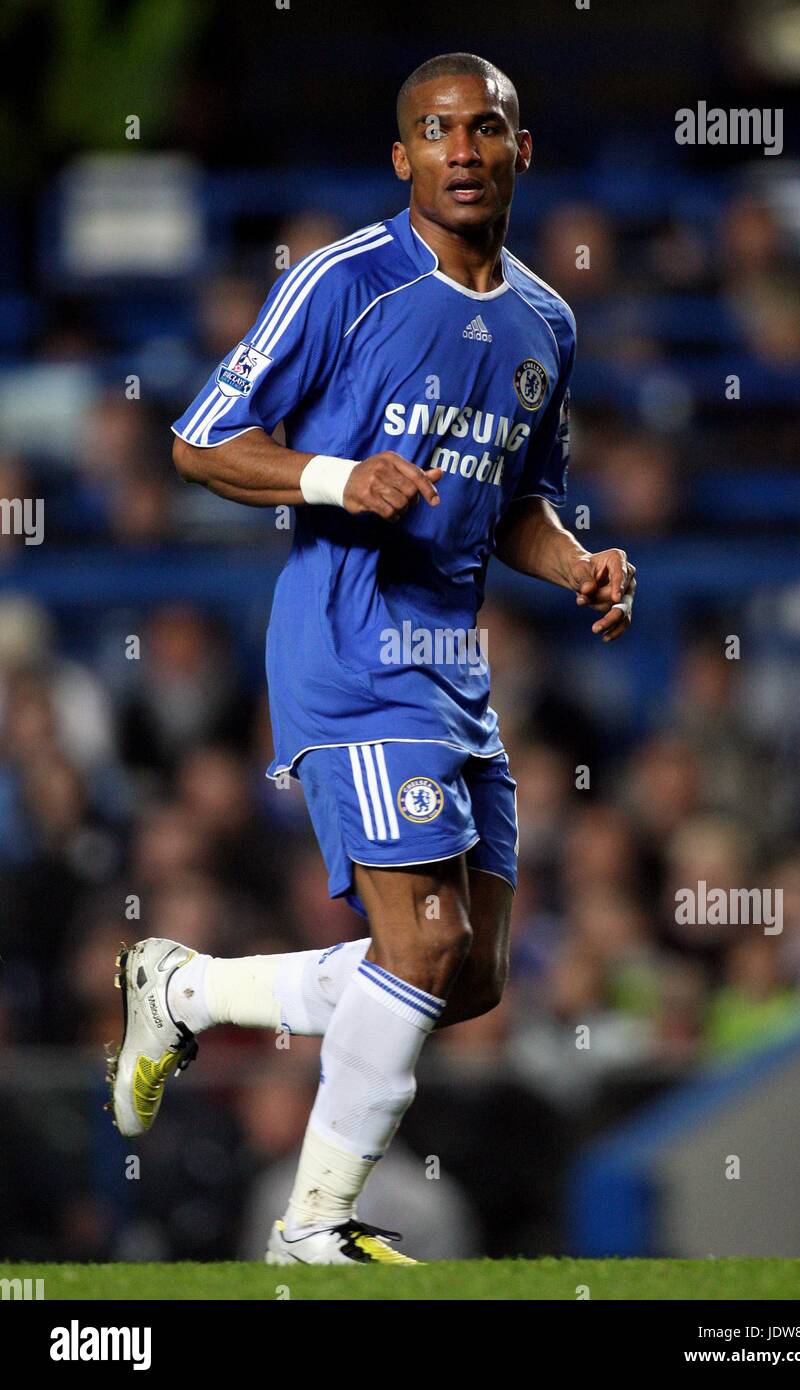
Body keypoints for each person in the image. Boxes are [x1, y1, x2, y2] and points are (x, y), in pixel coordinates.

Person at [107, 51, 637, 1266]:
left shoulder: (546, 323)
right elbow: (199, 440)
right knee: (423, 947)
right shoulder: (343, 281)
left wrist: (581, 568)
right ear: (401, 157)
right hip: (346, 641)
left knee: (469, 978)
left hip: (454, 663)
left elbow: (518, 509)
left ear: (519, 150)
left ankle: (182, 992)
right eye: (435, 130)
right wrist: (343, 477)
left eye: (485, 128)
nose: (462, 148)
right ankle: (311, 1224)